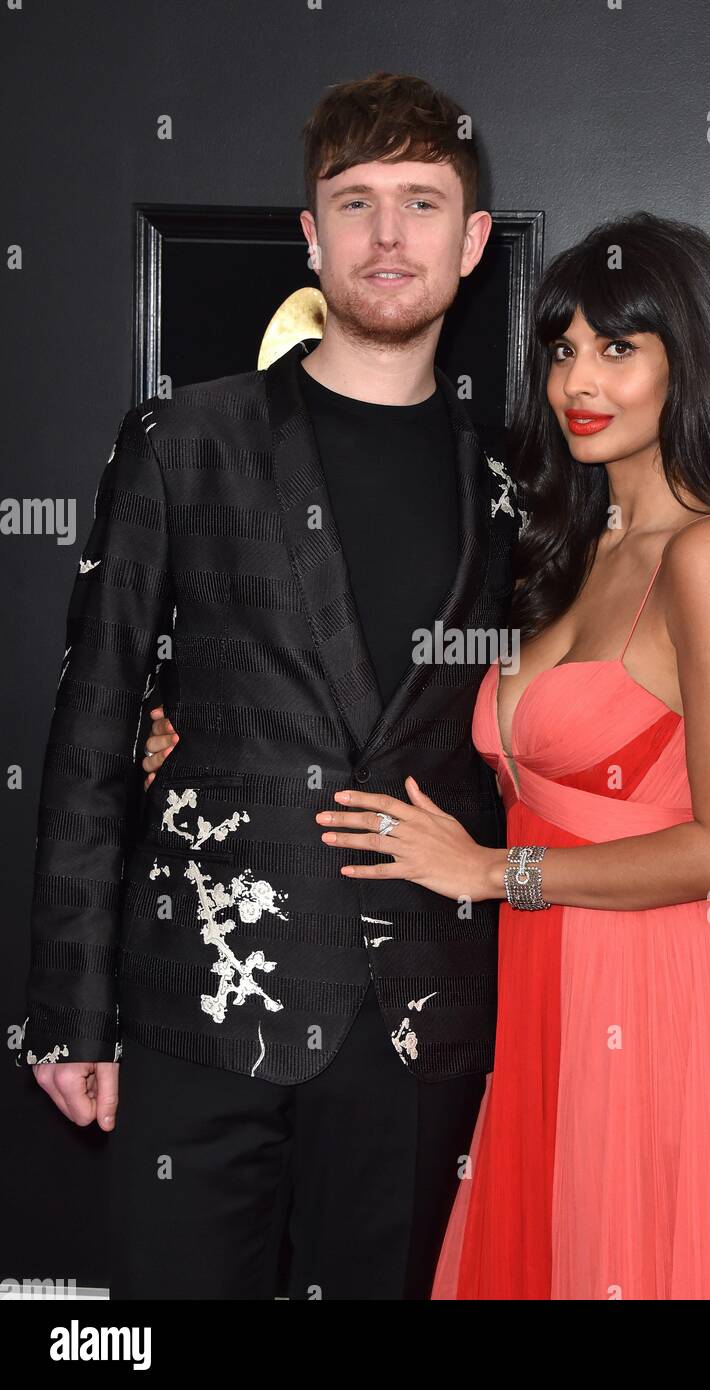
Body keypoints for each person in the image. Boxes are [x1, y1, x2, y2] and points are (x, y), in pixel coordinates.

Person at [19, 72, 522, 1300]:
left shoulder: (520, 484)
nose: (386, 235)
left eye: (419, 202)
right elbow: (92, 733)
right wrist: (68, 1011)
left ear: (468, 244)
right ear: (311, 235)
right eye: (354, 203)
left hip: (422, 1015)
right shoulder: (181, 440)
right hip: (201, 1000)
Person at [275, 212, 710, 1299]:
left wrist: (487, 871)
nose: (578, 378)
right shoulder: (566, 551)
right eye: (561, 349)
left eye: (618, 347)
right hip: (542, 983)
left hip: (662, 991)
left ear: (688, 361)